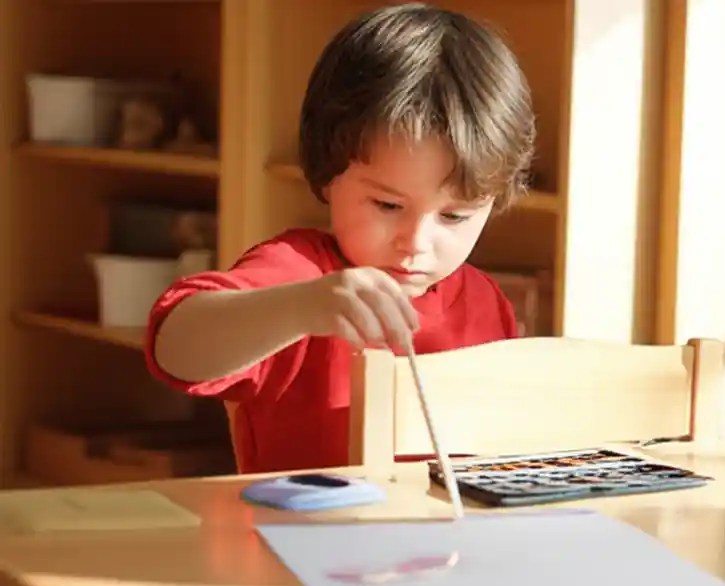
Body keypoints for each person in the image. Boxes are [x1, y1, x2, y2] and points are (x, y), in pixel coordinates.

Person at [144, 3, 536, 473]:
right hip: (298, 541)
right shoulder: (303, 273)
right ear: (329, 173)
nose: (416, 242)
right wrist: (301, 307)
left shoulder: (486, 303)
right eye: (388, 206)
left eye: (454, 216)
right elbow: (174, 347)